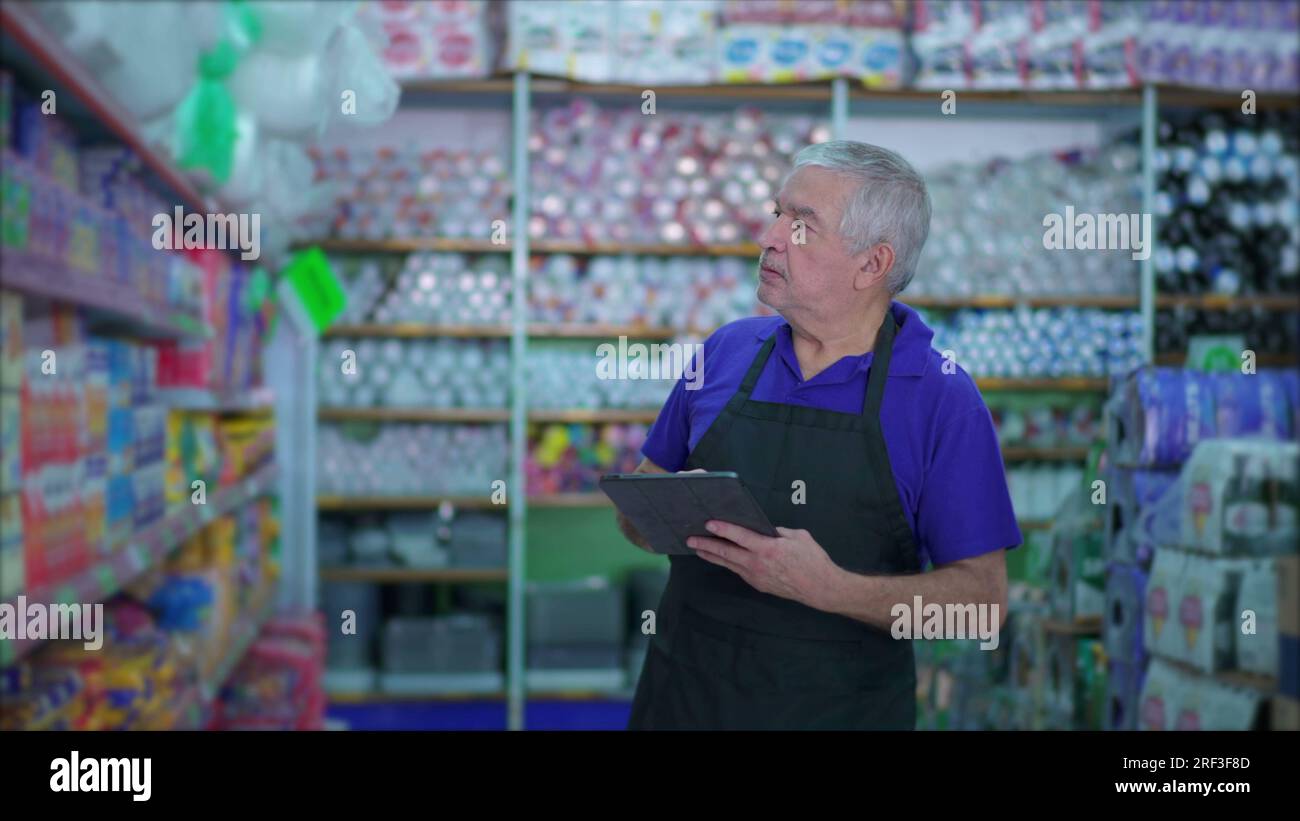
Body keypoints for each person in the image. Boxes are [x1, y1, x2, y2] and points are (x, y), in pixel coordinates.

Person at [618, 140, 1021, 730]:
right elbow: (635, 519)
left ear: (872, 264)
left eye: (802, 225)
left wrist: (830, 588)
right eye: (778, 213)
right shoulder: (726, 353)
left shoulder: (941, 400)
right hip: (684, 702)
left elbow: (980, 611)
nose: (770, 237)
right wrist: (672, 513)